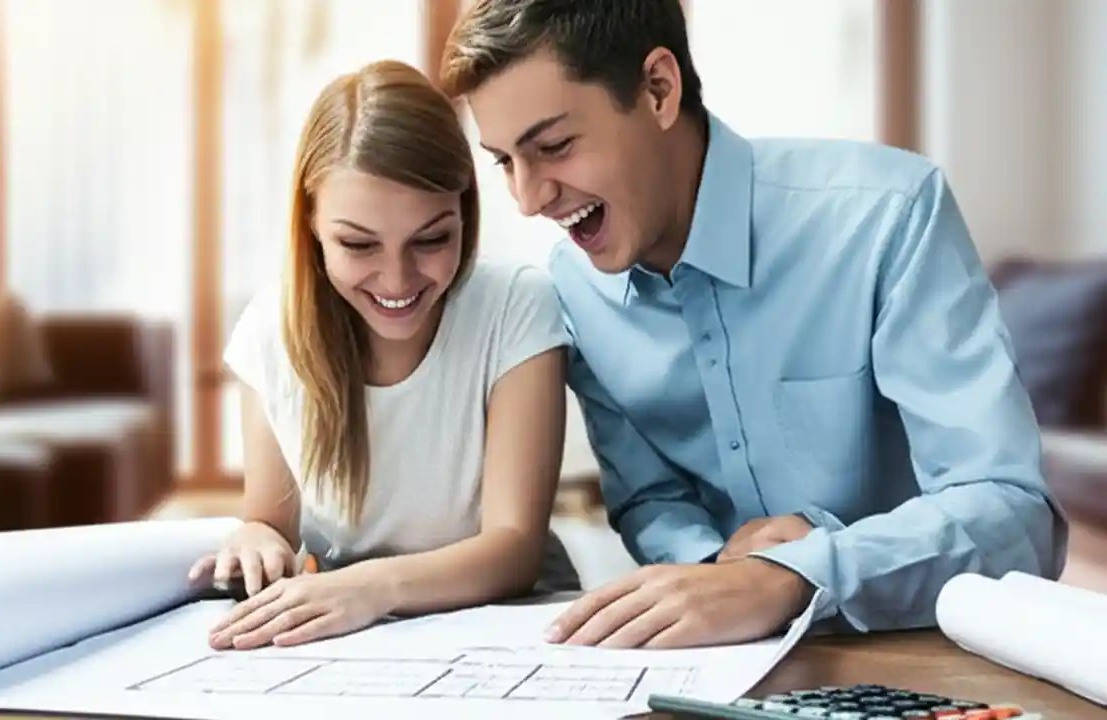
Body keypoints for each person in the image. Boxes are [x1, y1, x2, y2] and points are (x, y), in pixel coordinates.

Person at [439, 0, 1068, 649]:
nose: (529, 197)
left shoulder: (886, 215)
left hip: (918, 651)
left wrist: (793, 575)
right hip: (724, 659)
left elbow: (1013, 515)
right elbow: (650, 501)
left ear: (658, 89)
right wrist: (715, 574)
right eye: (505, 162)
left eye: (554, 147)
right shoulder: (574, 286)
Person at [189, 59, 578, 651]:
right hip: (349, 633)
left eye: (431, 239)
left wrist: (371, 588)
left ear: (465, 213)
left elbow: (514, 548)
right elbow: (267, 519)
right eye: (358, 243)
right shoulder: (270, 332)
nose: (397, 280)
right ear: (312, 227)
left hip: (511, 621)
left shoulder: (516, 307)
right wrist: (255, 539)